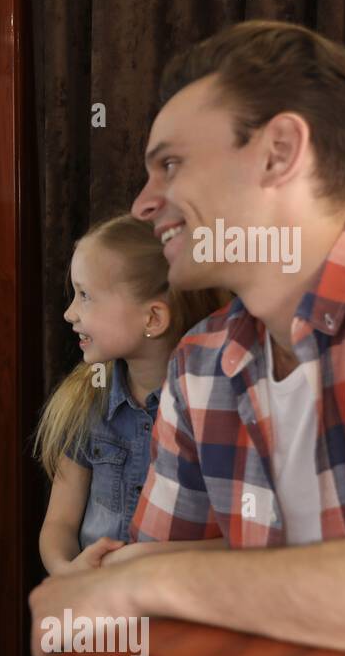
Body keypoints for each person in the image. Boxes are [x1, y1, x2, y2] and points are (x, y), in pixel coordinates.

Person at [29, 20, 345, 656]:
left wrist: (145, 581)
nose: (144, 204)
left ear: (279, 151)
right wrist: (119, 582)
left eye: (170, 164)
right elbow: (160, 562)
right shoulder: (199, 365)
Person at [35, 214, 228, 574]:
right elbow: (58, 524)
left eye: (85, 296)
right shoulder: (84, 399)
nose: (69, 313)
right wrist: (67, 570)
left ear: (153, 318)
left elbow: (247, 541)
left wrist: (142, 561)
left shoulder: (216, 409)